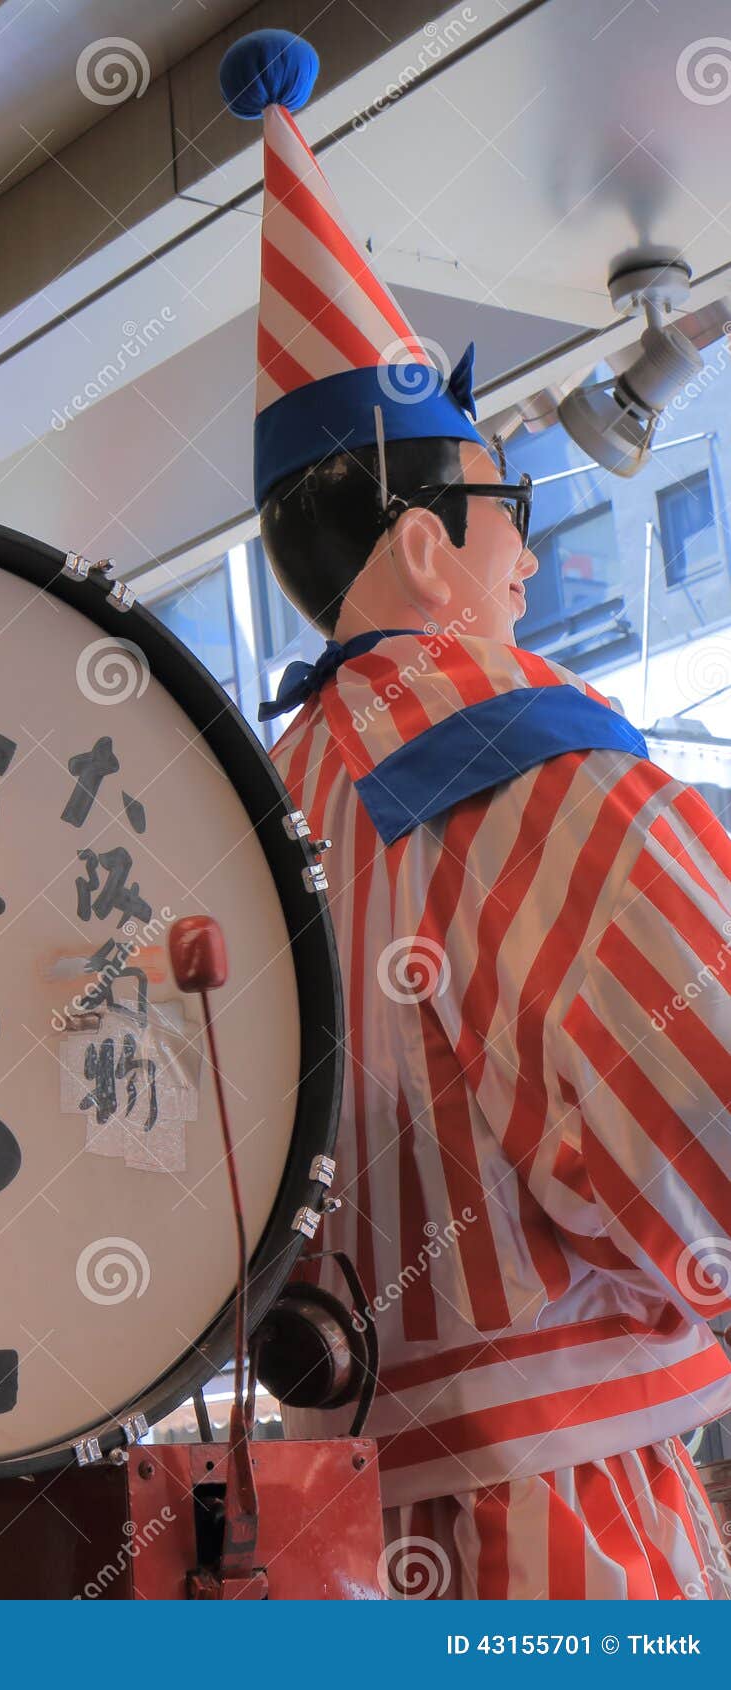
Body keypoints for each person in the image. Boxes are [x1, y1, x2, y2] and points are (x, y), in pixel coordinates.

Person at [222, 28, 731, 1598]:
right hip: (566, 1522)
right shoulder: (523, 762)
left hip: (328, 1544)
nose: (526, 559)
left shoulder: (254, 817)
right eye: (506, 515)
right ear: (429, 552)